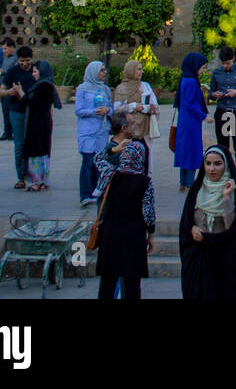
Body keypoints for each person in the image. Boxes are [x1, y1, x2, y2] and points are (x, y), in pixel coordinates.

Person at [93, 111, 155, 300]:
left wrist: (114, 150)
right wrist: (151, 234)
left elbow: (97, 159)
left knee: (107, 281)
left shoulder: (111, 174)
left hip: (111, 232)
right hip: (134, 235)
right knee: (132, 282)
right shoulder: (145, 182)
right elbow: (148, 213)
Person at [179, 144, 236, 299]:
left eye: (217, 163)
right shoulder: (197, 188)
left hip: (223, 261)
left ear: (226, 164)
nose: (212, 169)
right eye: (208, 163)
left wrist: (226, 198)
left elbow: (234, 229)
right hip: (198, 258)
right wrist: (191, 229)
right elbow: (186, 221)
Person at [209, 46, 236, 180]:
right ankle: (224, 175)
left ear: (233, 59)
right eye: (223, 63)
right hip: (223, 111)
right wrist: (214, 95)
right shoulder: (217, 73)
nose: (225, 66)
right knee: (223, 146)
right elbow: (211, 93)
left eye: (227, 63)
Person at [19, 60, 59, 191]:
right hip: (42, 121)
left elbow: (34, 103)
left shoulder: (43, 86)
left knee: (36, 150)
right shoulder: (46, 84)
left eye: (35, 71)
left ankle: (37, 181)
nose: (33, 74)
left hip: (38, 122)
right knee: (43, 150)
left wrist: (21, 93)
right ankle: (43, 180)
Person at [75, 60, 111, 204]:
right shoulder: (82, 89)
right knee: (88, 161)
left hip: (101, 131)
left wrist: (107, 110)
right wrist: (94, 111)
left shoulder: (105, 89)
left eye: (104, 70)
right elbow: (78, 110)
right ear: (93, 72)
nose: (104, 73)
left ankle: (97, 192)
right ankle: (85, 194)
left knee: (99, 162)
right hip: (87, 131)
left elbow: (111, 108)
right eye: (101, 70)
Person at [1, 46, 37, 188]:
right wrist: (10, 92)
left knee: (33, 144)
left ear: (31, 59)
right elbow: (1, 91)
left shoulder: (35, 71)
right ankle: (21, 176)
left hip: (33, 110)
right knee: (20, 145)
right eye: (22, 61)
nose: (24, 64)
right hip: (17, 110)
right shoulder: (12, 72)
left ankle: (35, 176)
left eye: (27, 61)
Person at [174, 53, 209, 192]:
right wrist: (204, 116)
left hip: (185, 121)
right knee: (192, 151)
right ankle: (189, 183)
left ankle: (183, 182)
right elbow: (190, 104)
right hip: (191, 122)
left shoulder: (185, 79)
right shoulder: (192, 82)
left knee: (185, 151)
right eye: (202, 68)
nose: (203, 71)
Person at [0, 38, 18, 141]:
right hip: (4, 88)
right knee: (5, 111)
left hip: (11, 88)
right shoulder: (6, 58)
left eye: (5, 49)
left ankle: (12, 132)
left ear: (12, 48)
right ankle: (7, 132)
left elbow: (12, 71)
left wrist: (2, 71)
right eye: (2, 49)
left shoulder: (16, 58)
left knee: (11, 111)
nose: (4, 51)